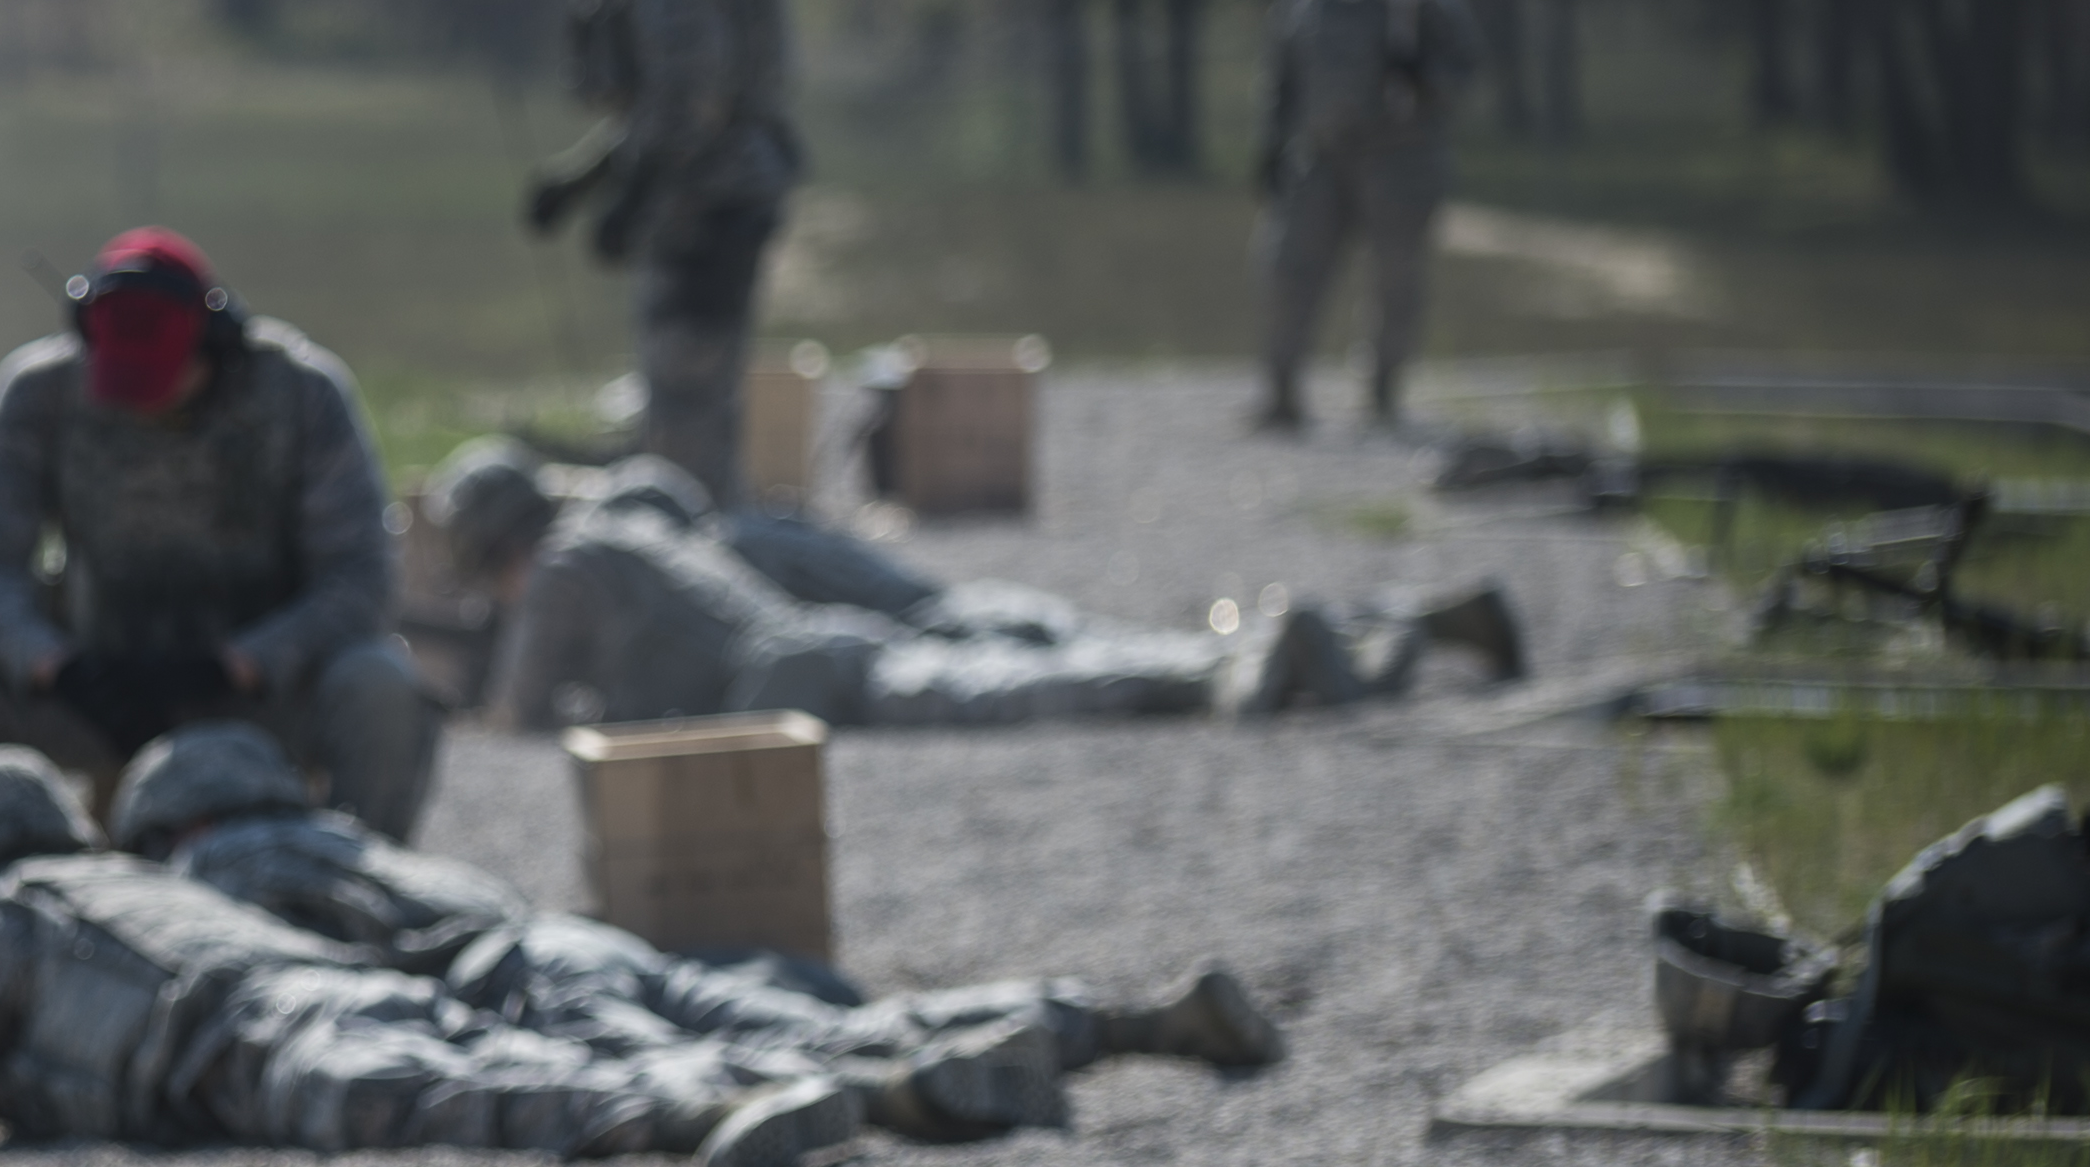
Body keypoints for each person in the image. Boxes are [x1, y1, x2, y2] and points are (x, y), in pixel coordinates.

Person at [104, 718, 1290, 1114]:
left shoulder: (221, 881)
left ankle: (920, 1091)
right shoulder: (341, 832)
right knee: (814, 1010)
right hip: (575, 938)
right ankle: (1123, 1020)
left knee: (738, 1068)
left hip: (514, 988)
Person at [0, 750, 878, 1167]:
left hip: (254, 1037)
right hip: (343, 986)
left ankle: (699, 1107)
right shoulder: (130, 883)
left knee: (471, 1103)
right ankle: (797, 1078)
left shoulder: (4, 916)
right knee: (489, 1063)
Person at [0, 227, 439, 837]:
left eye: (158, 379)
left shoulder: (302, 393)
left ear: (215, 340)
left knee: (381, 684)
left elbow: (360, 579)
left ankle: (363, 893)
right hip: (92, 691)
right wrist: (57, 667)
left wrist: (241, 664)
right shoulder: (39, 393)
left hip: (256, 693)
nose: (141, 404)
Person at [431, 444, 1524, 729]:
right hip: (826, 644)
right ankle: (1277, 649)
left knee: (1016, 693)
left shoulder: (574, 565)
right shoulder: (646, 538)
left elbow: (517, 710)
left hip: (811, 665)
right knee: (1040, 666)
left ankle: (1229, 667)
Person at [520, 0, 801, 506]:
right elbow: (666, 105)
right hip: (701, 198)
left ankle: (708, 592)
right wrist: (585, 178)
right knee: (681, 414)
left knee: (687, 432)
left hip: (714, 203)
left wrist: (633, 197)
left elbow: (694, 92)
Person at [1255, 0, 1483, 434]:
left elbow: (1463, 68)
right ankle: (1281, 391)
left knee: (1394, 283)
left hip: (1399, 157)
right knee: (1289, 269)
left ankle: (1382, 394)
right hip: (1323, 153)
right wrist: (1272, 139)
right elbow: (1285, 59)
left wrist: (1422, 77)